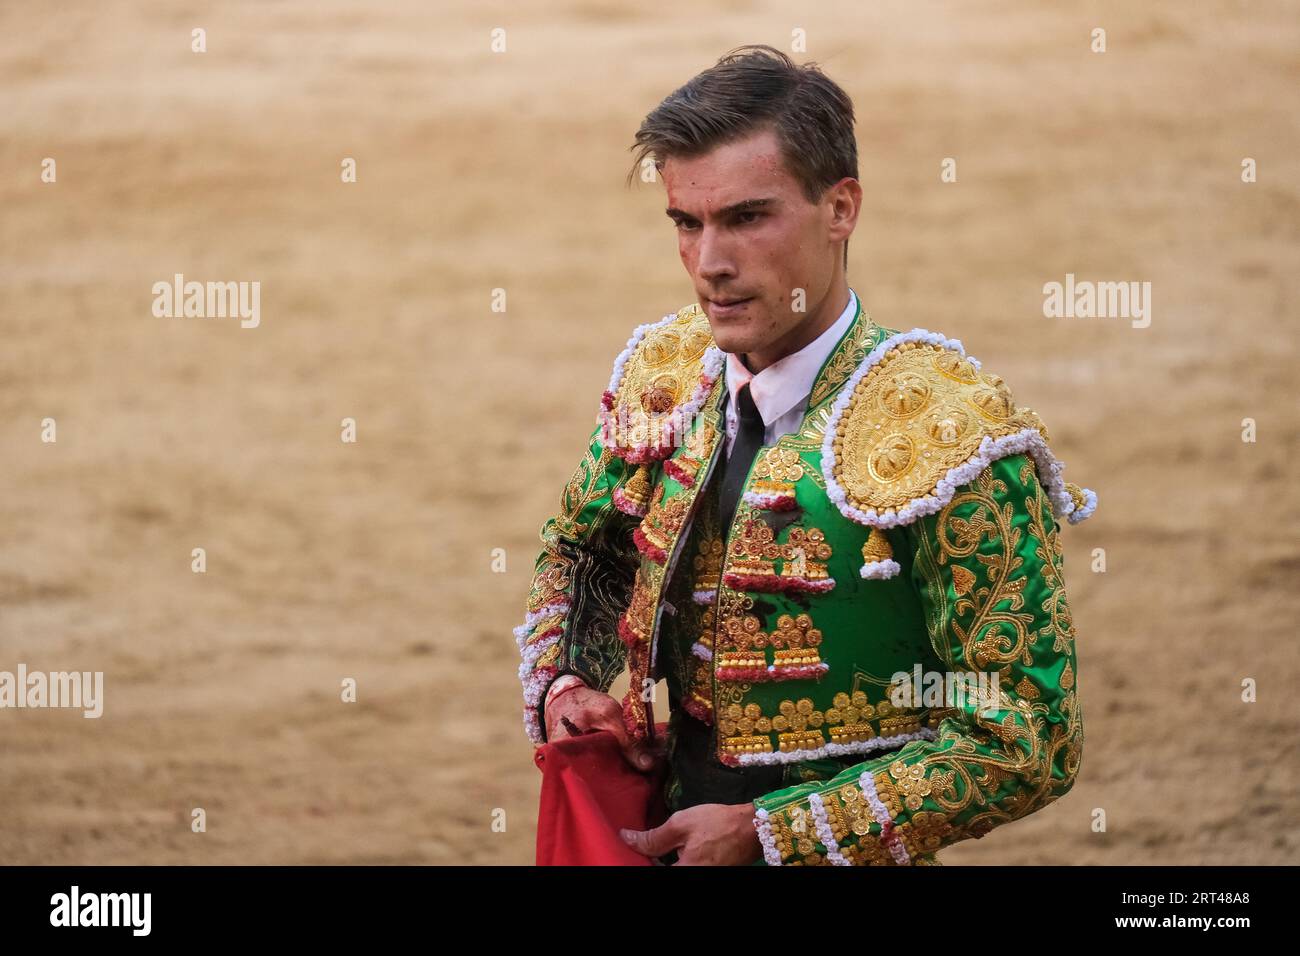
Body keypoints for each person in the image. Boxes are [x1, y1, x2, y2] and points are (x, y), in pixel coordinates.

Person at [514, 44, 1096, 866]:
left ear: (841, 208)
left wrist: (768, 832)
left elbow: (1026, 737)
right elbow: (585, 552)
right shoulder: (665, 375)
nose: (711, 263)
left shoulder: (950, 435)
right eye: (688, 222)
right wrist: (568, 682)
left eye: (748, 217)